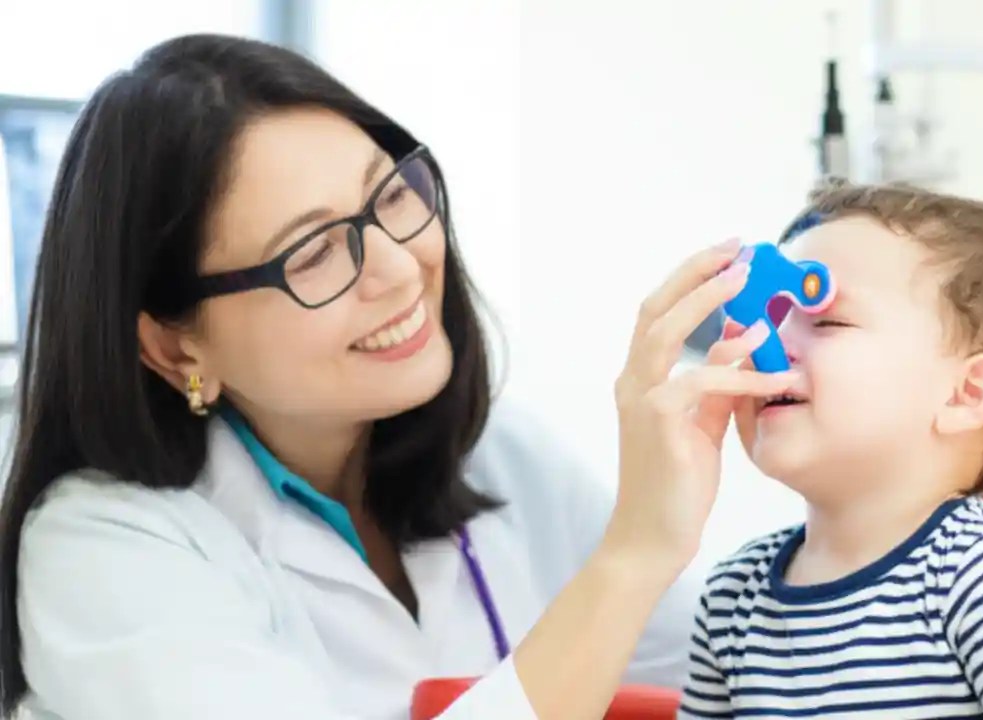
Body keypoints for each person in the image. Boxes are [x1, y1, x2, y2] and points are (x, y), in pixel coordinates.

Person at [0, 34, 803, 720]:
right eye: (313, 252)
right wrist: (635, 550)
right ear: (176, 348)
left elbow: (729, 684)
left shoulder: (500, 453)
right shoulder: (104, 554)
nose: (399, 265)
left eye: (389, 196)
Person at [678, 180, 983, 720]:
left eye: (827, 321)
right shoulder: (733, 597)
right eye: (771, 318)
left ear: (966, 394)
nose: (765, 345)